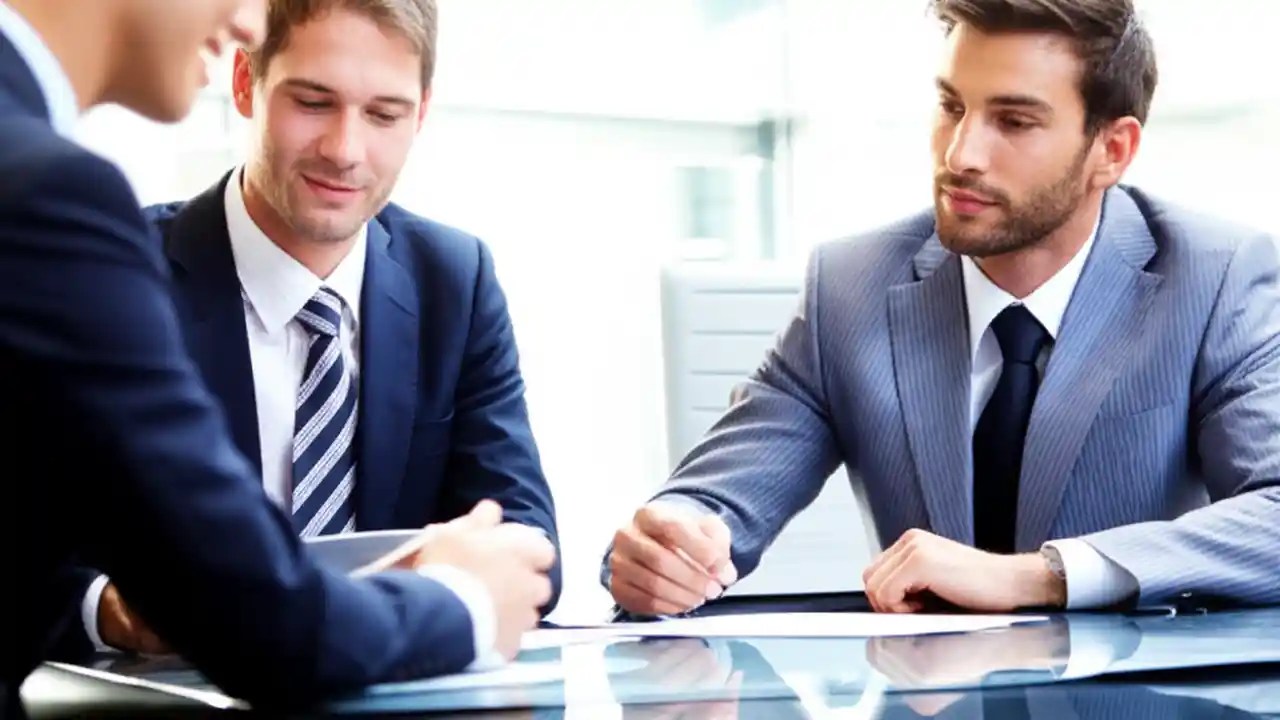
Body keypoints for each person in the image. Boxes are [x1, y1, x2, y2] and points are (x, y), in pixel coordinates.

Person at [604, 0, 1280, 617]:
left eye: (1014, 121)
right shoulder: (849, 287)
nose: (961, 155)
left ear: (1112, 150)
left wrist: (1041, 576)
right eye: (952, 107)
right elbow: (714, 499)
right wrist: (671, 545)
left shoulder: (1213, 278)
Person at [0, 0, 553, 714]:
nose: (346, 149)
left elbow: (520, 531)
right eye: (314, 101)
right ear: (246, 87)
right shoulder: (74, 220)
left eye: (384, 114)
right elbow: (260, 619)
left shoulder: (457, 275)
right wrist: (460, 598)